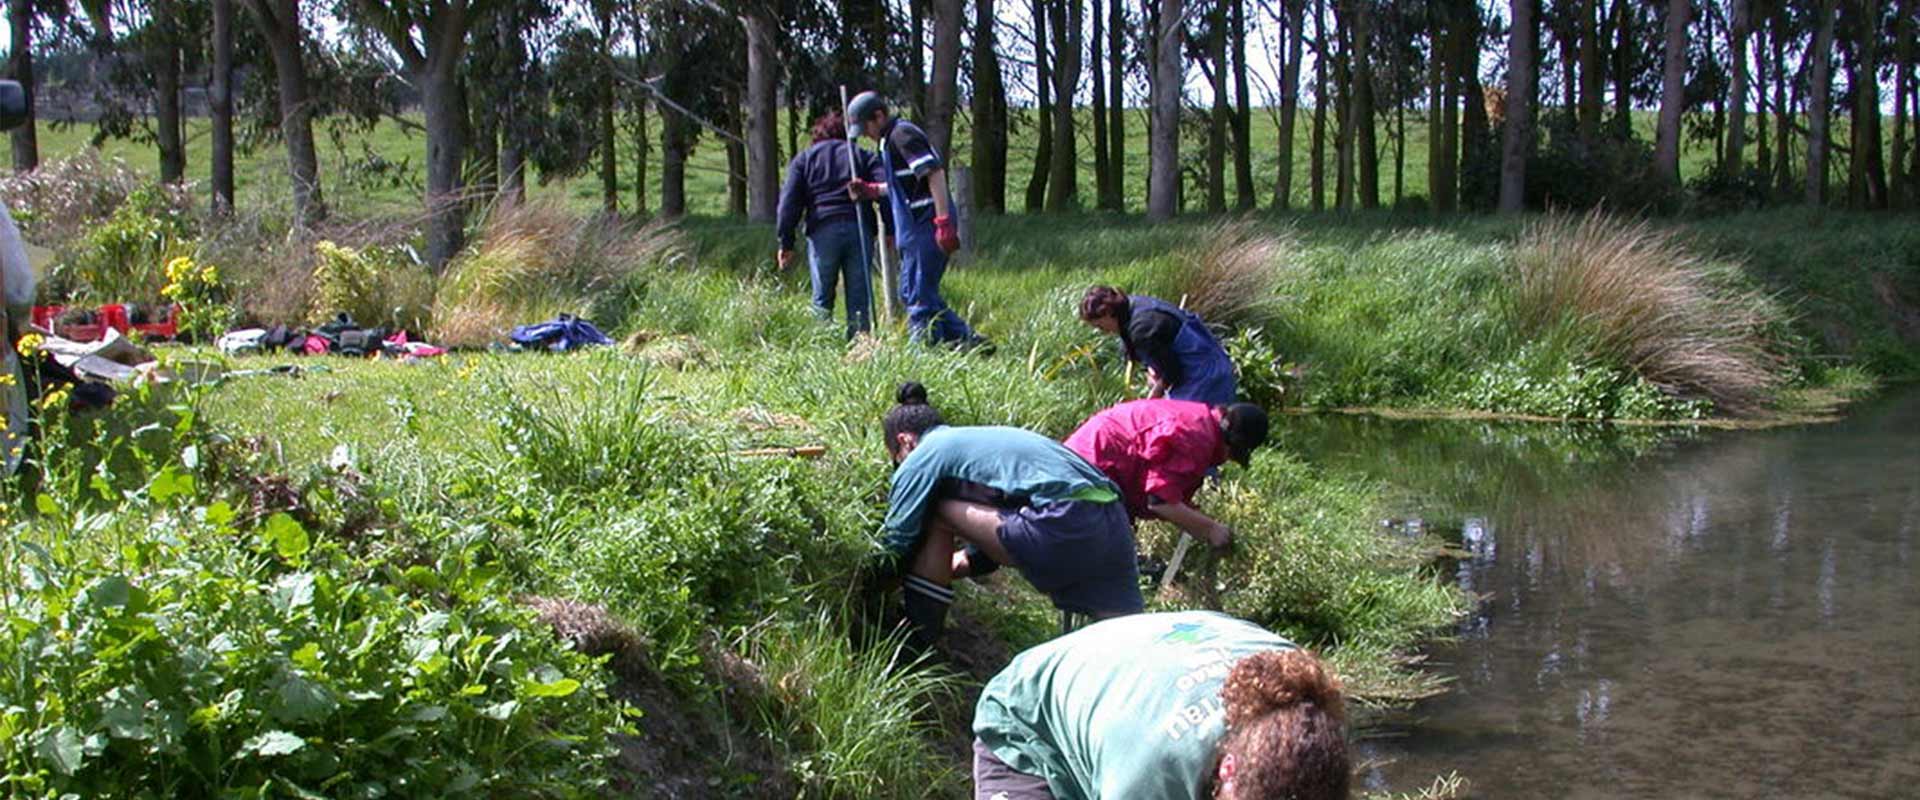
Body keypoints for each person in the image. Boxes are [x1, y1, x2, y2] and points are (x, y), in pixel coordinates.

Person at [973, 610, 1349, 800]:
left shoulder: (1314, 728)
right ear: (1229, 769)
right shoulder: (1152, 775)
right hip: (1029, 719)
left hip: (1141, 664)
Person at [877, 382, 1140, 650]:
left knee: (935, 511)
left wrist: (871, 584)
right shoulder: (980, 440)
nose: (900, 467)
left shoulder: (925, 454)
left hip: (1064, 521)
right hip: (1114, 521)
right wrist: (967, 562)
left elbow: (898, 538)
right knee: (1128, 637)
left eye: (896, 459)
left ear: (905, 441)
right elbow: (1007, 504)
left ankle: (917, 641)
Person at [845, 91, 990, 351]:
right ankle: (969, 342)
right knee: (913, 292)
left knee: (919, 297)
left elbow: (934, 173)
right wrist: (872, 190)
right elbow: (905, 185)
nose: (865, 134)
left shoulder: (902, 134)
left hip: (926, 224)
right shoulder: (887, 142)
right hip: (911, 229)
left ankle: (921, 355)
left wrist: (943, 222)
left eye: (866, 127)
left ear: (879, 116)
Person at [1064, 398, 1270, 552]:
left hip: (1086, 460)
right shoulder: (1197, 438)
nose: (1225, 461)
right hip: (1088, 470)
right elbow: (1160, 501)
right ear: (1232, 444)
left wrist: (1193, 519)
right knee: (1109, 569)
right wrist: (1211, 529)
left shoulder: (1200, 420)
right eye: (1232, 456)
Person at [776, 111, 887, 339]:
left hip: (822, 230)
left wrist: (786, 242)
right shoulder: (861, 156)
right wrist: (890, 229)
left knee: (822, 297)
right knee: (859, 297)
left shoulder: (805, 160)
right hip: (858, 228)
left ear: (817, 137)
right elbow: (886, 189)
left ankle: (822, 344)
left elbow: (788, 204)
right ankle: (860, 345)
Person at [1079, 286, 1237, 406]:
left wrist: (1152, 399)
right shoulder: (1134, 304)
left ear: (1108, 313)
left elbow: (1172, 372)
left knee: (1193, 431)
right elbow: (1156, 351)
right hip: (1216, 363)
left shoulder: (1142, 330)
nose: (1102, 331)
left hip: (1203, 379)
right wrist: (1152, 371)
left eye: (1100, 326)